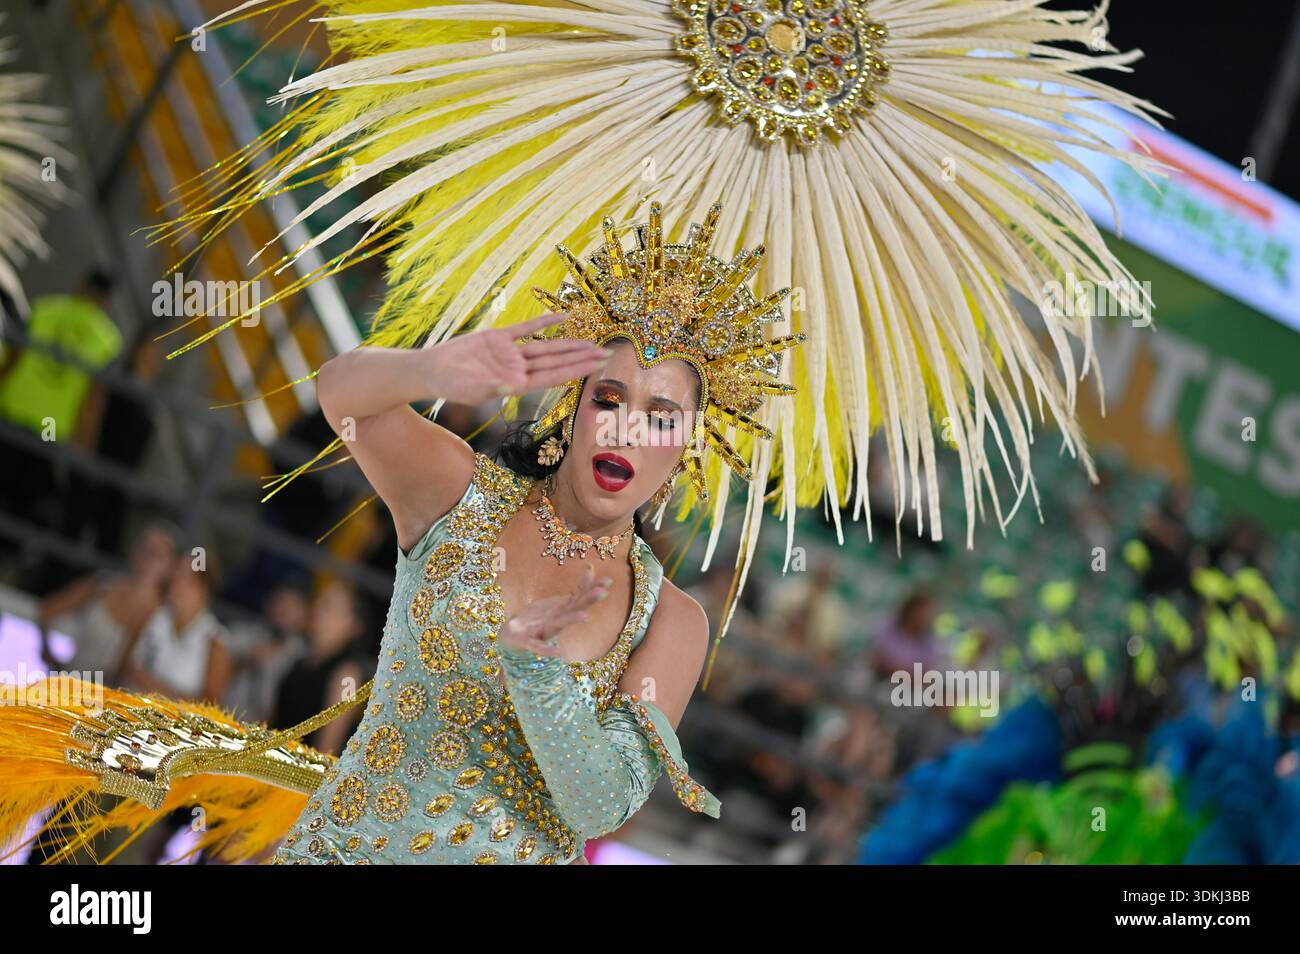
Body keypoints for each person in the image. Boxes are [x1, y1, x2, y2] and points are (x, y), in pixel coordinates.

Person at [0, 204, 802, 865]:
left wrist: (539, 674)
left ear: (689, 448)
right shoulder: (463, 494)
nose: (627, 428)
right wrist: (431, 373)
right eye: (610, 397)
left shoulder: (672, 622)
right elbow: (342, 395)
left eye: (661, 416)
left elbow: (601, 804)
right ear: (572, 406)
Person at [37, 519, 179, 682]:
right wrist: (49, 654)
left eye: (157, 554)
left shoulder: (166, 617)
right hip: (71, 686)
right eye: (144, 547)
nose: (147, 558)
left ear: (170, 567)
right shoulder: (101, 585)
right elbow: (47, 611)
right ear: (134, 550)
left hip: (116, 702)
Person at [269, 579, 370, 756]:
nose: (318, 611)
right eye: (319, 603)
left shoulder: (348, 675)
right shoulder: (300, 660)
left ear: (353, 625)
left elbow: (327, 747)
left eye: (329, 607)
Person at [119, 551, 233, 702]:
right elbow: (122, 664)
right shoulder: (152, 613)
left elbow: (209, 706)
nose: (177, 584)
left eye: (188, 580)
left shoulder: (216, 642)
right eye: (177, 575)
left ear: (205, 590)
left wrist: (150, 685)